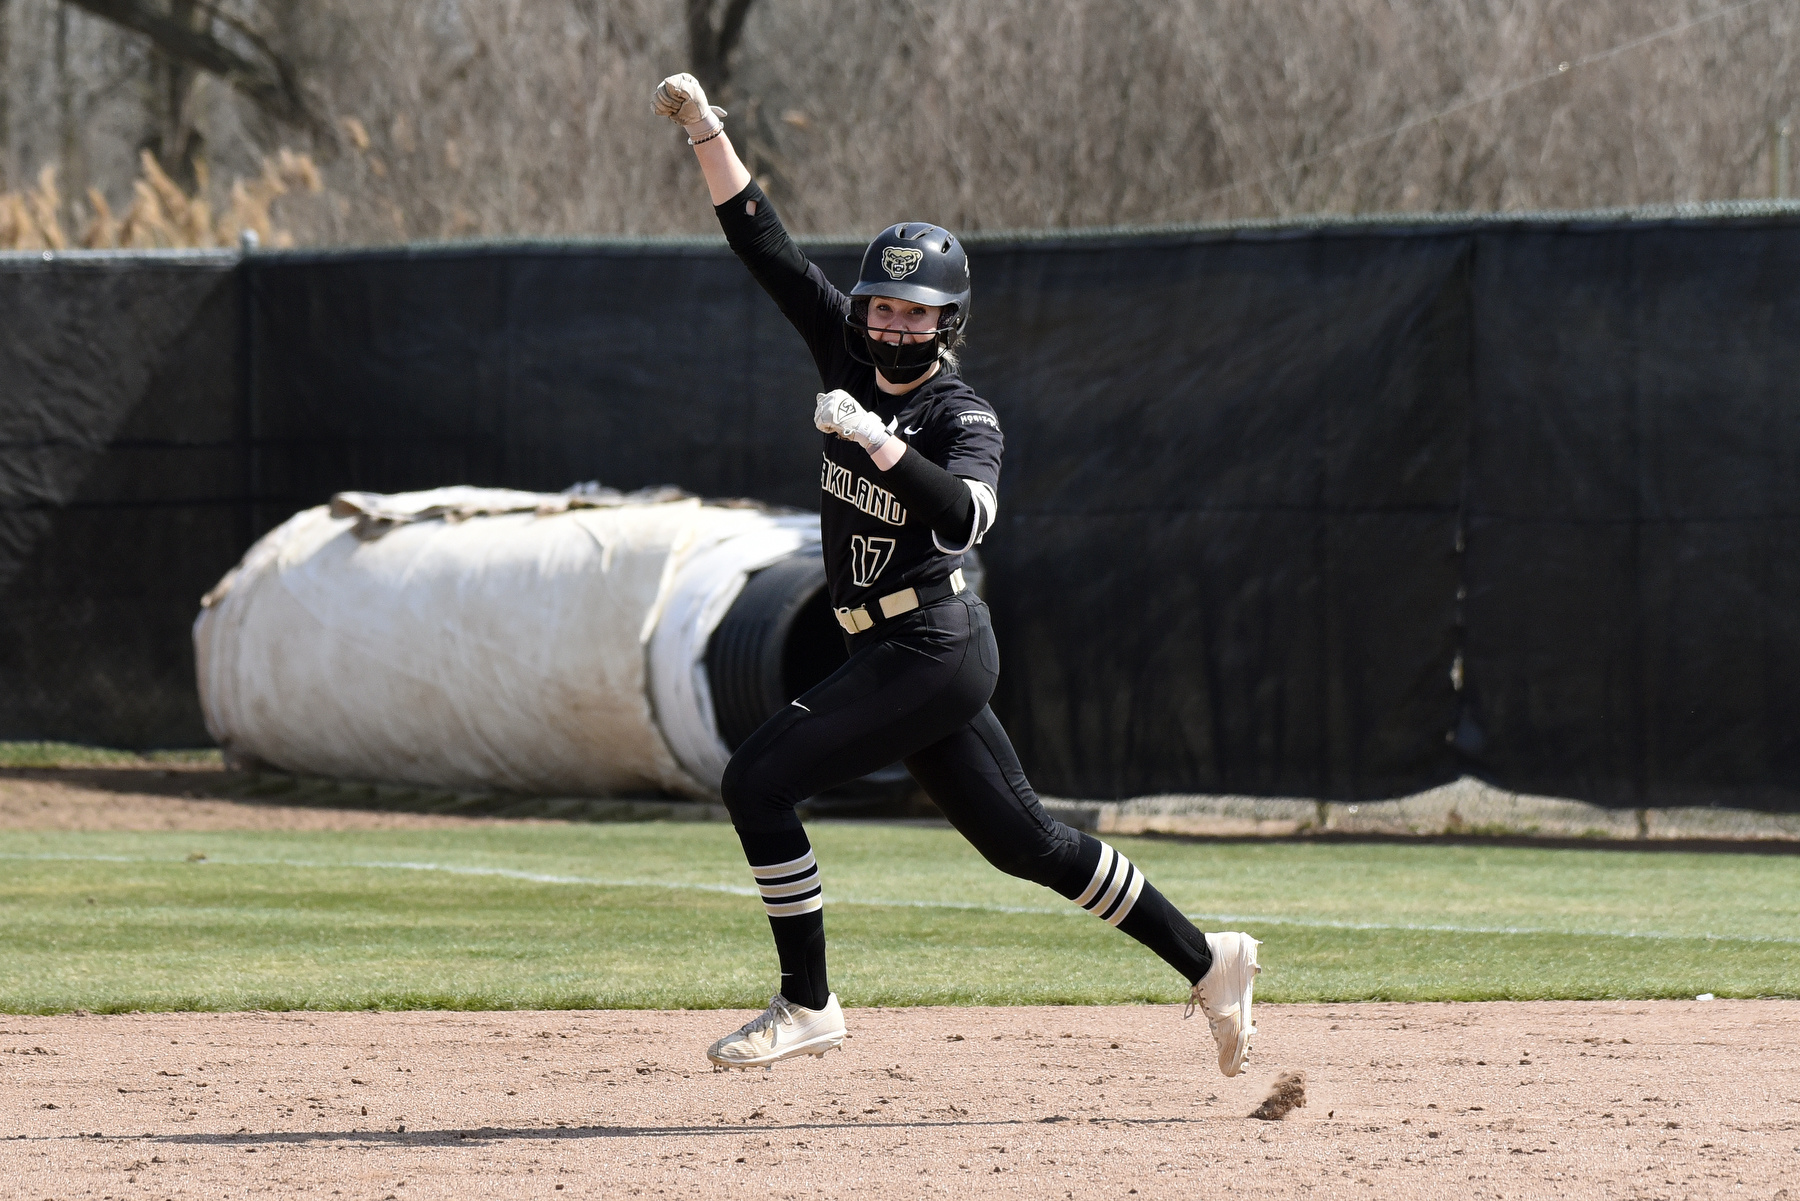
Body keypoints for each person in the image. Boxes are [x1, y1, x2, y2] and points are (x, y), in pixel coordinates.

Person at [652, 73, 1262, 1079]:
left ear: (948, 323)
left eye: (912, 312)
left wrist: (877, 445)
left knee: (755, 780)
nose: (889, 325)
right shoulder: (845, 351)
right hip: (883, 642)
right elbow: (762, 243)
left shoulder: (961, 415)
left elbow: (970, 514)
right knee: (1028, 843)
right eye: (879, 305)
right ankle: (1211, 962)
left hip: (932, 644)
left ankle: (808, 1000)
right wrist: (707, 131)